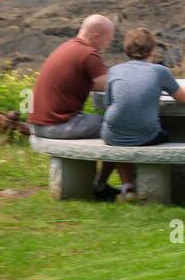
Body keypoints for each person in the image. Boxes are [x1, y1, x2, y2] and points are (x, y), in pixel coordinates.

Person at [28, 14, 135, 198]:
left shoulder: (69, 47)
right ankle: (129, 187)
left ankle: (103, 186)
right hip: (59, 124)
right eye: (109, 38)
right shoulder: (88, 54)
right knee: (118, 127)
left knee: (110, 125)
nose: (109, 43)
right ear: (96, 36)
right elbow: (110, 85)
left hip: (41, 123)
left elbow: (89, 83)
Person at [101, 28, 185, 200]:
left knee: (123, 130)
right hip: (145, 135)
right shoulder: (159, 71)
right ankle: (155, 184)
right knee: (162, 128)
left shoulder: (114, 70)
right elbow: (183, 99)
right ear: (152, 50)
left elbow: (111, 104)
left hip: (111, 134)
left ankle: (127, 186)